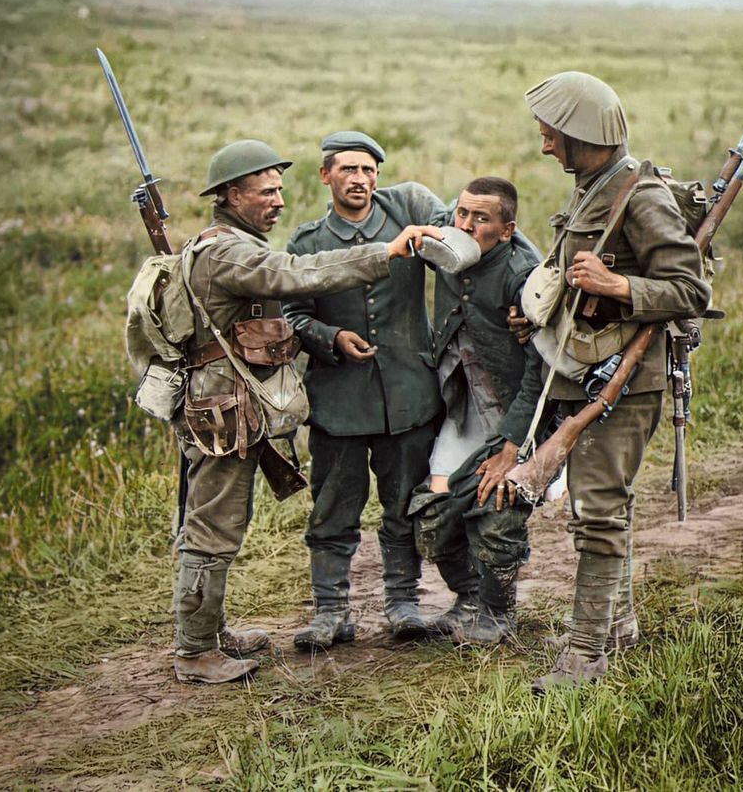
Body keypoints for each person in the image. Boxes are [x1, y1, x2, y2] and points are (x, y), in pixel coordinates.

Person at [171, 139, 441, 683]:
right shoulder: (229, 251)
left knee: (222, 521)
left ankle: (210, 632)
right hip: (223, 409)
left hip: (232, 405)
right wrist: (383, 254)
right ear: (230, 195)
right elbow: (297, 277)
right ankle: (196, 651)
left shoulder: (233, 242)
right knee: (212, 528)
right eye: (265, 191)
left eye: (278, 189)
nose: (276, 200)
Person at [520, 73, 711, 692]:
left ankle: (584, 656)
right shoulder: (590, 189)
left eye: (553, 134)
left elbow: (689, 290)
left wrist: (617, 286)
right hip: (585, 370)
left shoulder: (640, 195)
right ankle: (617, 625)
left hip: (627, 383)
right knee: (599, 506)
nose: (546, 145)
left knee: (598, 509)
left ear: (582, 136)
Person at [283, 131, 446, 648]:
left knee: (404, 505)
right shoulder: (307, 244)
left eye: (369, 170)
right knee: (332, 509)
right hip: (338, 402)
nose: (360, 179)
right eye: (348, 170)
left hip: (408, 395)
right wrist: (329, 337)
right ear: (326, 175)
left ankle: (404, 603)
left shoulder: (409, 222)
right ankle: (331, 612)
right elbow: (292, 312)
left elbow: (459, 253)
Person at [408, 177, 544, 644]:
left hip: (514, 416)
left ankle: (498, 612)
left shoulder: (523, 277)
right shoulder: (450, 237)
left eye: (480, 219)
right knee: (432, 515)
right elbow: (421, 201)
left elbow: (539, 372)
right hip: (461, 407)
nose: (465, 224)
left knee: (496, 509)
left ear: (506, 230)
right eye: (461, 214)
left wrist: (512, 445)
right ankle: (468, 599)